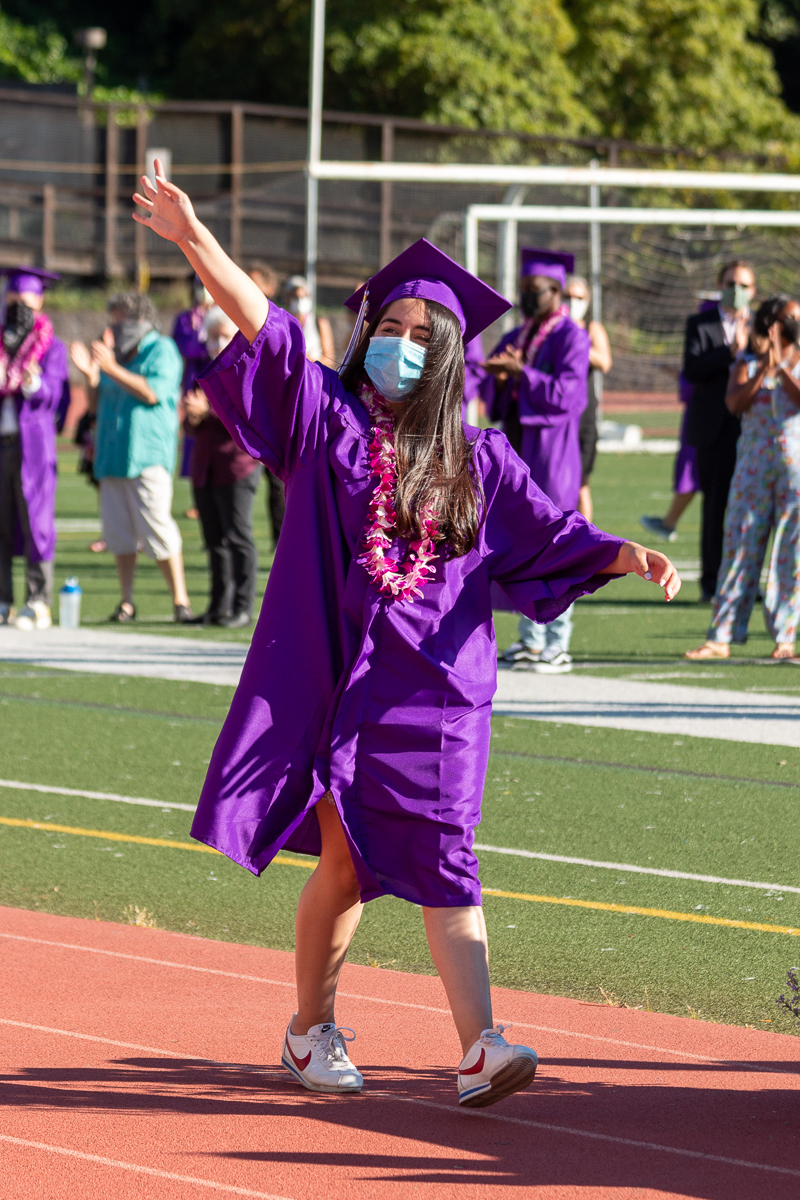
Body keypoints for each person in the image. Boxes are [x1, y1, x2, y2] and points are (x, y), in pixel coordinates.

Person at [133, 162, 679, 1107]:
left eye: (423, 337)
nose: (401, 345)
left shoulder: (480, 459)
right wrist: (193, 238)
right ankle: (311, 1029)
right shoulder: (327, 422)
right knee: (344, 863)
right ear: (365, 335)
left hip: (445, 691)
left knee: (447, 853)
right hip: (353, 682)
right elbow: (267, 327)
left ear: (451, 359)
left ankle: (480, 1046)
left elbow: (551, 538)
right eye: (388, 328)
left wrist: (624, 553)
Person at [483, 248, 591, 674]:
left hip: (553, 452)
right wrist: (497, 372)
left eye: (536, 291)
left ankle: (557, 644)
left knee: (555, 539)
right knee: (518, 539)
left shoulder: (572, 336)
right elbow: (493, 374)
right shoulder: (521, 333)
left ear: (556, 292)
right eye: (524, 290)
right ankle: (530, 640)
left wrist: (523, 373)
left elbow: (568, 394)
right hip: (518, 445)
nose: (528, 297)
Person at [686, 296, 800, 661]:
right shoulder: (746, 364)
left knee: (791, 556)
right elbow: (734, 404)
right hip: (752, 472)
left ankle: (785, 639)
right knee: (739, 549)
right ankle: (721, 636)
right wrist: (765, 367)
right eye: (792, 319)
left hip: (794, 475)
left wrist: (783, 368)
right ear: (772, 325)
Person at [70, 292, 193, 624]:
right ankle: (126, 601)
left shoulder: (161, 349)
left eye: (120, 318)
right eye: (112, 319)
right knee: (119, 533)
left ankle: (180, 600)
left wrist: (110, 366)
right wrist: (91, 374)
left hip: (146, 454)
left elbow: (152, 392)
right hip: (112, 454)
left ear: (140, 319)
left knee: (156, 526)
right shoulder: (116, 355)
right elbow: (95, 405)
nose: (115, 326)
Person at [0, 266, 70, 630]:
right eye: (12, 301)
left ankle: (38, 601)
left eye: (25, 302)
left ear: (39, 302)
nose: (17, 309)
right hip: (2, 445)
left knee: (35, 522)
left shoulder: (51, 347)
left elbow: (56, 395)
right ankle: (3, 601)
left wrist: (32, 382)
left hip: (33, 448)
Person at [683, 260, 756, 601]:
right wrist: (730, 352)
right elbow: (692, 369)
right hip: (713, 429)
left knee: (753, 509)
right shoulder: (701, 323)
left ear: (753, 291)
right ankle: (711, 584)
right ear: (719, 285)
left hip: (753, 430)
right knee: (715, 508)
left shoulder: (763, 325)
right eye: (730, 283)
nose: (736, 291)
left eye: (743, 285)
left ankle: (748, 582)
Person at [184, 306, 259, 628]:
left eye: (224, 336)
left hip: (236, 466)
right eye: (212, 337)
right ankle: (218, 605)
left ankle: (242, 606)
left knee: (238, 536)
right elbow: (193, 425)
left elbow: (248, 418)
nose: (217, 343)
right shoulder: (202, 371)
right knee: (214, 540)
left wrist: (207, 412)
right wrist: (192, 417)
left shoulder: (248, 370)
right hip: (206, 465)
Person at [564, 274, 612, 522]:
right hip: (560, 410)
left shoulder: (591, 328)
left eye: (578, 297)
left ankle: (586, 539)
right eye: (567, 296)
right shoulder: (554, 328)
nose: (573, 302)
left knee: (582, 481)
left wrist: (577, 340)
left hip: (585, 412)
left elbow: (604, 361)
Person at [249, 263, 284, 547]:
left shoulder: (281, 322)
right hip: (253, 412)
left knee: (280, 485)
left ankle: (284, 540)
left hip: (280, 414)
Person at [172, 274, 213, 517]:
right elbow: (183, 347)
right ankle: (197, 496)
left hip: (212, 384)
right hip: (191, 383)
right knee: (192, 438)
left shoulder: (221, 316)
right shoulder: (185, 320)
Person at [282, 275, 336, 367]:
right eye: (295, 297)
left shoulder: (320, 322)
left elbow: (330, 360)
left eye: (303, 296)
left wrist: (308, 359)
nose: (299, 301)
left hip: (314, 376)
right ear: (287, 299)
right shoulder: (282, 323)